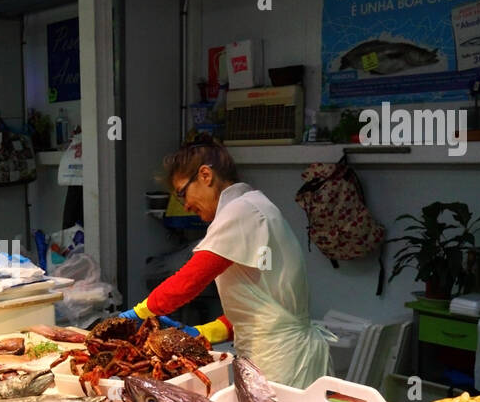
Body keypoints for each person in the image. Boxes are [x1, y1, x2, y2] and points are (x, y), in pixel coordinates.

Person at [120, 134, 331, 388]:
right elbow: (258, 305)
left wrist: (138, 313)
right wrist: (206, 332)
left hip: (279, 360)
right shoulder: (254, 206)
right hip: (274, 352)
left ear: (205, 175)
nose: (185, 206)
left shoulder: (242, 211)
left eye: (182, 194)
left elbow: (189, 282)